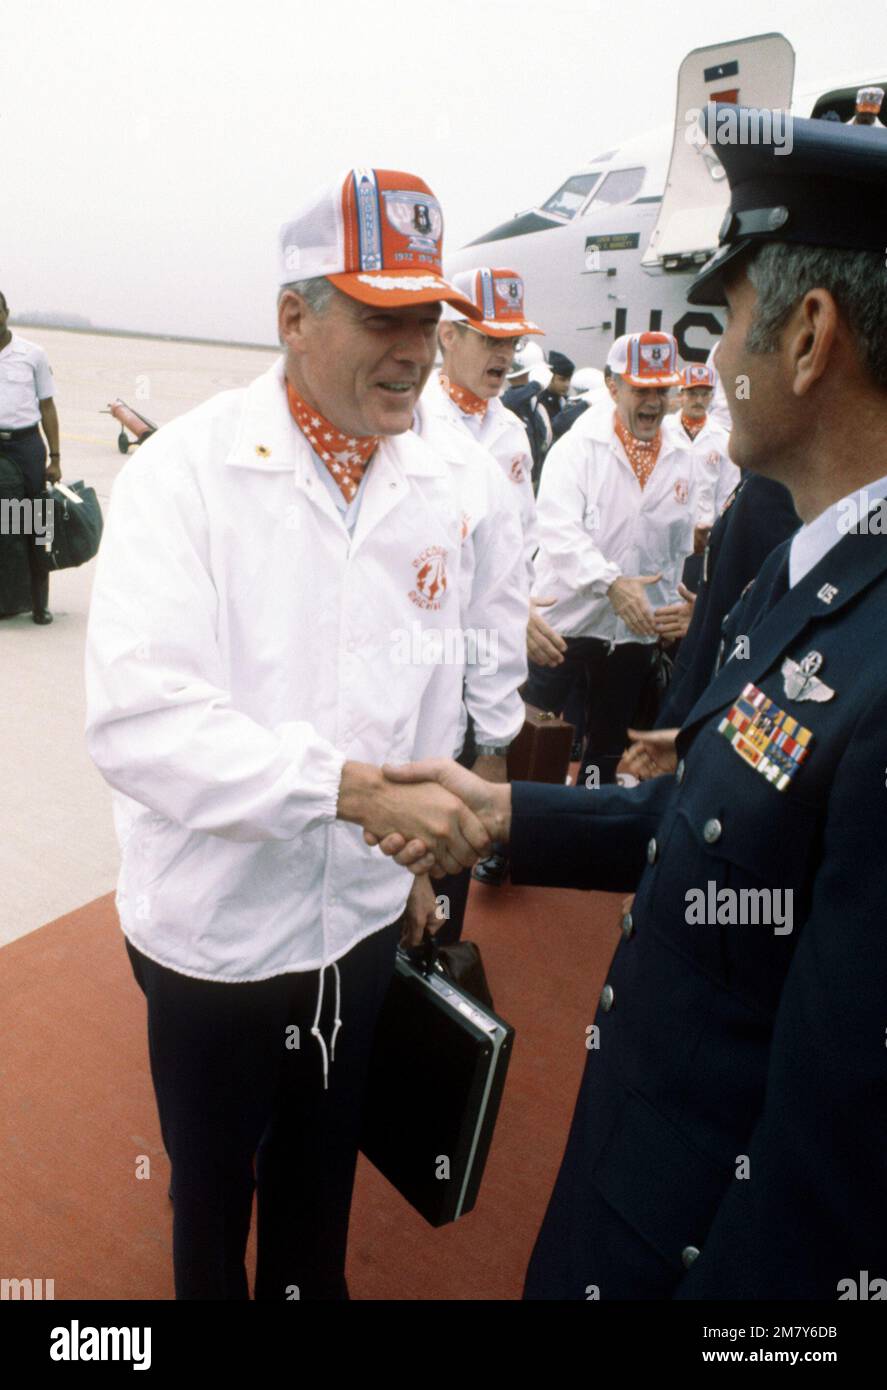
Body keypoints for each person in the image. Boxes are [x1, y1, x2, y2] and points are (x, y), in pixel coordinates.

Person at [370, 108, 887, 1301]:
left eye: (730, 320)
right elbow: (714, 823)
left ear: (807, 337)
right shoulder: (808, 567)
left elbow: (837, 1146)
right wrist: (504, 815)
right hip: (634, 1186)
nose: (707, 364)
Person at [84, 166, 501, 1301]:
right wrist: (355, 793)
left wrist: (408, 859)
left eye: (427, 319)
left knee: (320, 1193)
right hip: (217, 943)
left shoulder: (431, 484)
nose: (416, 350)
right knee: (213, 1196)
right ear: (292, 318)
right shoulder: (184, 477)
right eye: (381, 317)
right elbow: (140, 724)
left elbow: (428, 683)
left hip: (357, 927)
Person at [525, 330, 696, 784]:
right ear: (613, 385)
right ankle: (512, 838)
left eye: (662, 389)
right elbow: (559, 532)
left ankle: (585, 827)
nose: (654, 402)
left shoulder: (684, 458)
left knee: (607, 743)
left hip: (633, 633)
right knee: (533, 731)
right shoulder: (577, 449)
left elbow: (676, 546)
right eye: (642, 388)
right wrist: (610, 583)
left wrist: (668, 610)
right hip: (565, 621)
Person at [0, 291, 61, 623]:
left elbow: (47, 407)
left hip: (25, 444)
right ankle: (6, 599)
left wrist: (55, 457)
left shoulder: (32, 355)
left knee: (35, 520)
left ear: (6, 312)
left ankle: (39, 602)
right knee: (2, 525)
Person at [502, 343, 553, 491]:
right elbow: (509, 401)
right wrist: (535, 385)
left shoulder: (536, 404)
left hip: (535, 481)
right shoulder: (506, 401)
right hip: (513, 484)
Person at [538, 349, 574, 425]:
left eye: (569, 380)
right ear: (550, 377)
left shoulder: (566, 400)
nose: (567, 385)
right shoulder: (540, 402)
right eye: (562, 380)